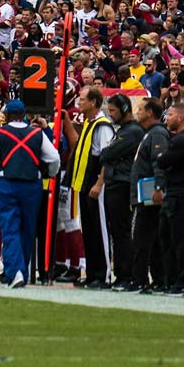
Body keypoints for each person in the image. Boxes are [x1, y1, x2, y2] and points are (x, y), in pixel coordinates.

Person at [0, 97, 61, 288]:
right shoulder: (37, 133)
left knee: (10, 228)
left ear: (6, 115)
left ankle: (16, 272)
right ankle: (23, 269)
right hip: (33, 184)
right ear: (23, 115)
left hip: (9, 182)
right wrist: (51, 173)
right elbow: (54, 158)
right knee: (28, 229)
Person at [68, 85, 115, 288]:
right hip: (84, 185)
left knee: (100, 230)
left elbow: (106, 157)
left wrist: (99, 182)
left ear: (93, 102)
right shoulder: (88, 123)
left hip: (96, 185)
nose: (79, 102)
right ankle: (93, 273)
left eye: (83, 99)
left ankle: (104, 274)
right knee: (88, 230)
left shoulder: (102, 126)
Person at [96, 93, 141, 291]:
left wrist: (109, 155)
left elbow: (107, 153)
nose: (111, 114)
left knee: (121, 232)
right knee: (118, 231)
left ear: (123, 110)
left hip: (122, 183)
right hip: (118, 182)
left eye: (113, 110)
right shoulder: (125, 130)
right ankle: (123, 274)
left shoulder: (130, 132)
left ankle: (126, 274)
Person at [157, 101, 184, 297]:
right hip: (176, 193)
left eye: (171, 114)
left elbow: (163, 160)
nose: (167, 118)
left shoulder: (182, 140)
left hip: (183, 196)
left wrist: (161, 156)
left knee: (180, 241)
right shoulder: (181, 139)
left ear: (181, 118)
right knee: (168, 238)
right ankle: (172, 280)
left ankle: (182, 283)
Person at [130, 95, 171, 292]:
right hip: (146, 194)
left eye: (140, 109)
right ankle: (158, 279)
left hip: (149, 196)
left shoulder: (157, 134)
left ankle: (140, 279)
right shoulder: (149, 133)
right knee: (152, 240)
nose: (137, 112)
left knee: (141, 238)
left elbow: (159, 162)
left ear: (149, 113)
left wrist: (158, 188)